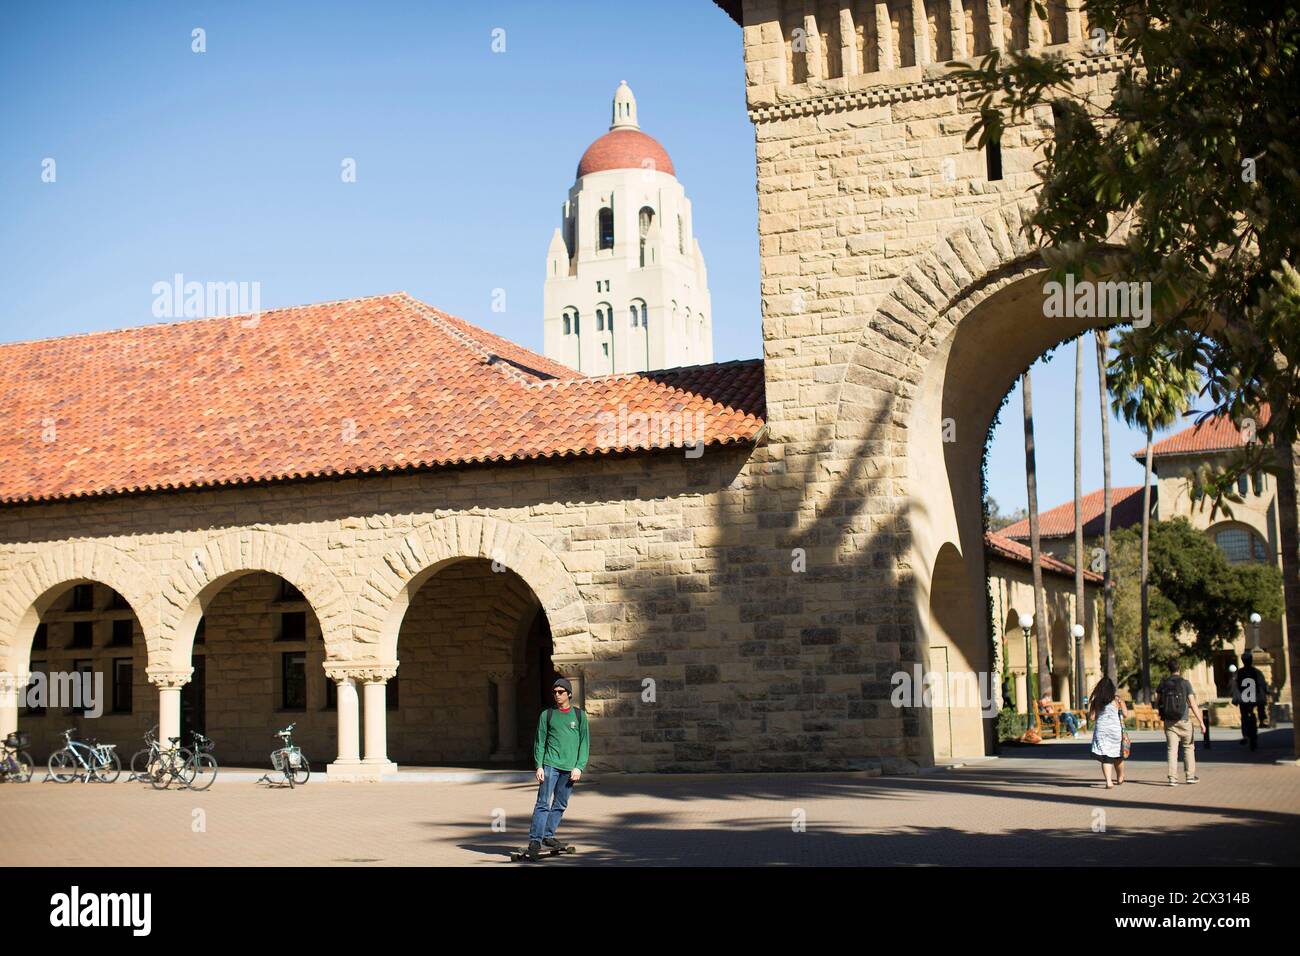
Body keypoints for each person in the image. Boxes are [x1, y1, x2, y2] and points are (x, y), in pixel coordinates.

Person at [523, 677, 589, 861]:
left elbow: (584, 743)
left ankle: (548, 835)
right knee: (543, 803)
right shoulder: (547, 715)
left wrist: (579, 767)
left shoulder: (579, 716)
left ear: (569, 693)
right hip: (550, 765)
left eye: (561, 692)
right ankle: (535, 840)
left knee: (560, 804)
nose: (557, 695)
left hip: (570, 769)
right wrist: (539, 765)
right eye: (554, 692)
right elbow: (540, 742)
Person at [1153, 661, 1204, 786]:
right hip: (1184, 720)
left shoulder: (1164, 683)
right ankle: (1190, 776)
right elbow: (1192, 703)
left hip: (1169, 721)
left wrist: (1160, 707)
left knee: (1172, 750)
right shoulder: (1185, 683)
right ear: (1179, 668)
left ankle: (1172, 778)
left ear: (1169, 669)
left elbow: (1156, 698)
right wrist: (1201, 722)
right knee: (1188, 747)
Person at [1088, 677, 1128, 788]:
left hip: (1101, 731)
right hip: (1115, 731)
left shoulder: (1096, 701)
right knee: (1118, 755)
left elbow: (1092, 717)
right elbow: (1125, 714)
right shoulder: (1117, 700)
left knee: (1106, 757)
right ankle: (1120, 776)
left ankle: (1109, 782)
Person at [1236, 652, 1270, 751]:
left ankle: (1245, 735)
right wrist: (1266, 691)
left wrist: (1235, 698)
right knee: (1261, 705)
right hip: (1255, 698)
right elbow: (1262, 684)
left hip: (1244, 699)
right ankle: (1262, 719)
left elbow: (1234, 685)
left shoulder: (1239, 672)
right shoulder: (1256, 672)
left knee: (1244, 716)